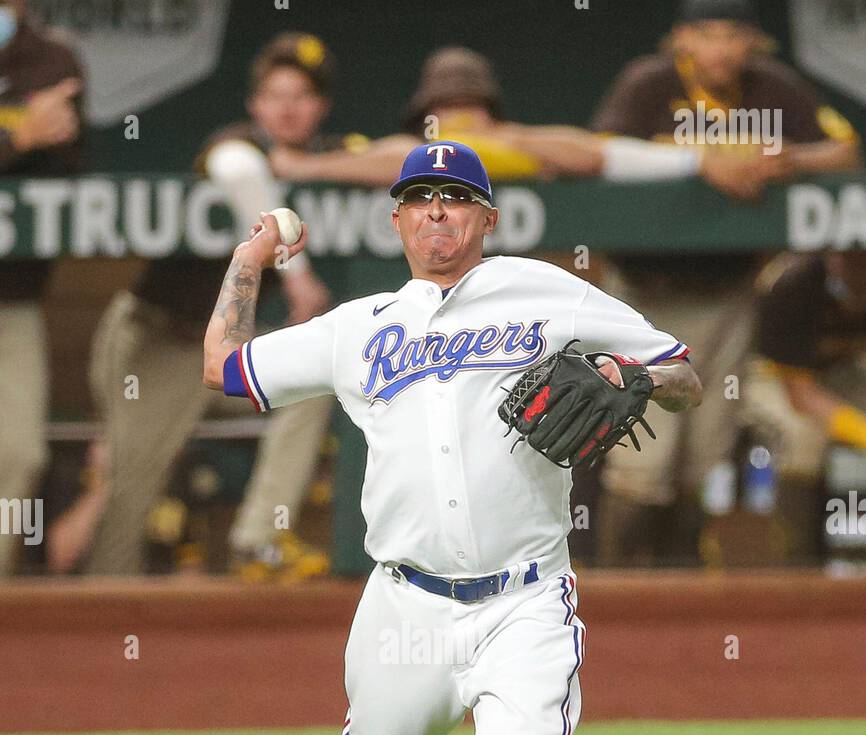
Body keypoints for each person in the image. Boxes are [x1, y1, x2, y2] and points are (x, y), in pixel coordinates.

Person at [202, 142, 701, 735]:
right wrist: (251, 260)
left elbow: (682, 371)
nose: (438, 216)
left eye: (456, 201)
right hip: (402, 607)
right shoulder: (358, 328)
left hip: (527, 608)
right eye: (420, 202)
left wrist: (627, 375)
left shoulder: (545, 292)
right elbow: (224, 369)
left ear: (489, 219)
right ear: (396, 222)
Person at [590, 0, 861, 565]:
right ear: (682, 39)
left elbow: (843, 149)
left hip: (728, 293)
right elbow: (603, 156)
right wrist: (702, 160)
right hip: (644, 294)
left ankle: (684, 598)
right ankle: (616, 594)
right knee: (643, 455)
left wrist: (790, 158)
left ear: (753, 44)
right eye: (708, 35)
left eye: (735, 36)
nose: (721, 49)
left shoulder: (773, 88)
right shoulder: (649, 84)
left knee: (705, 446)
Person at [86, 33, 360, 578]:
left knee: (312, 388)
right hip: (161, 340)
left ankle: (257, 538)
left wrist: (314, 169)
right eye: (274, 94)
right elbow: (238, 170)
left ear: (321, 107)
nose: (287, 107)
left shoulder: (328, 154)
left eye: (301, 95)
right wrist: (296, 275)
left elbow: (395, 160)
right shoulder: (235, 143)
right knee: (132, 490)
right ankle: (101, 609)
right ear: (255, 105)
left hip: (227, 360)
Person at [267, 46, 720, 187]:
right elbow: (399, 158)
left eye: (472, 106)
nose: (462, 118)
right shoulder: (407, 150)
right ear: (426, 113)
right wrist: (311, 167)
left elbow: (596, 155)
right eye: (448, 107)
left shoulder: (526, 143)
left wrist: (506, 137)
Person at [0, 0, 84, 576]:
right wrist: (16, 139)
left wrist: (40, 140)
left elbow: (73, 170)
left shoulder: (51, 58)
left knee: (20, 452)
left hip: (13, 296)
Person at [747, 250, 866, 563]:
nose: (857, 265)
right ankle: (799, 568)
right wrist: (862, 432)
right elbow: (800, 395)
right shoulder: (794, 282)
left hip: (842, 374)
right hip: (771, 378)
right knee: (802, 439)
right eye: (849, 255)